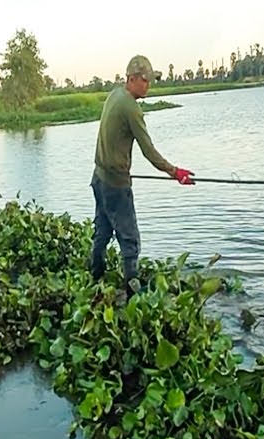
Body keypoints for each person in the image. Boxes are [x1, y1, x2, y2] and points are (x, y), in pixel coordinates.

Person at [90, 55, 194, 294]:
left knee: (102, 233)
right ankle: (131, 293)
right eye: (146, 81)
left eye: (151, 80)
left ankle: (94, 281)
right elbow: (148, 150)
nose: (149, 85)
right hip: (116, 185)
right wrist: (175, 172)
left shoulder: (114, 95)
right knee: (130, 240)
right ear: (132, 79)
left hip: (99, 178)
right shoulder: (131, 108)